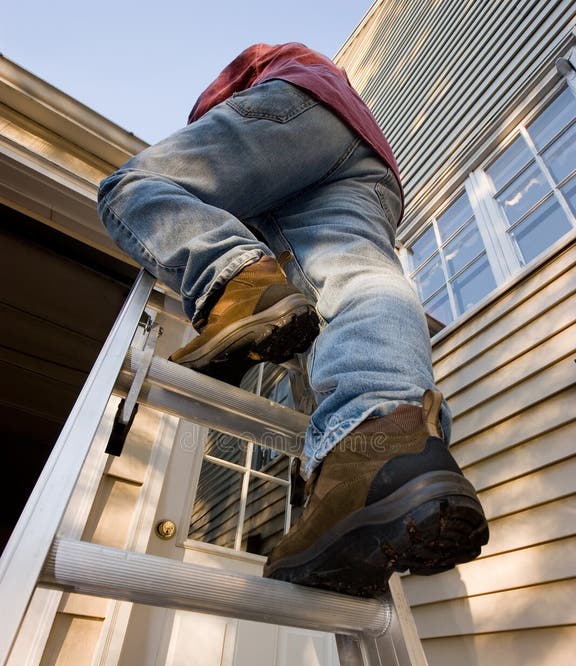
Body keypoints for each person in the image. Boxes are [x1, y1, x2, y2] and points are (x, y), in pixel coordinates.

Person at [98, 42, 489, 597]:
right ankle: (380, 444)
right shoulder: (335, 85)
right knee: (359, 281)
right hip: (370, 163)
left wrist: (230, 251)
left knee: (134, 187)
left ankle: (237, 284)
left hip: (294, 110)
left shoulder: (262, 68)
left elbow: (223, 114)